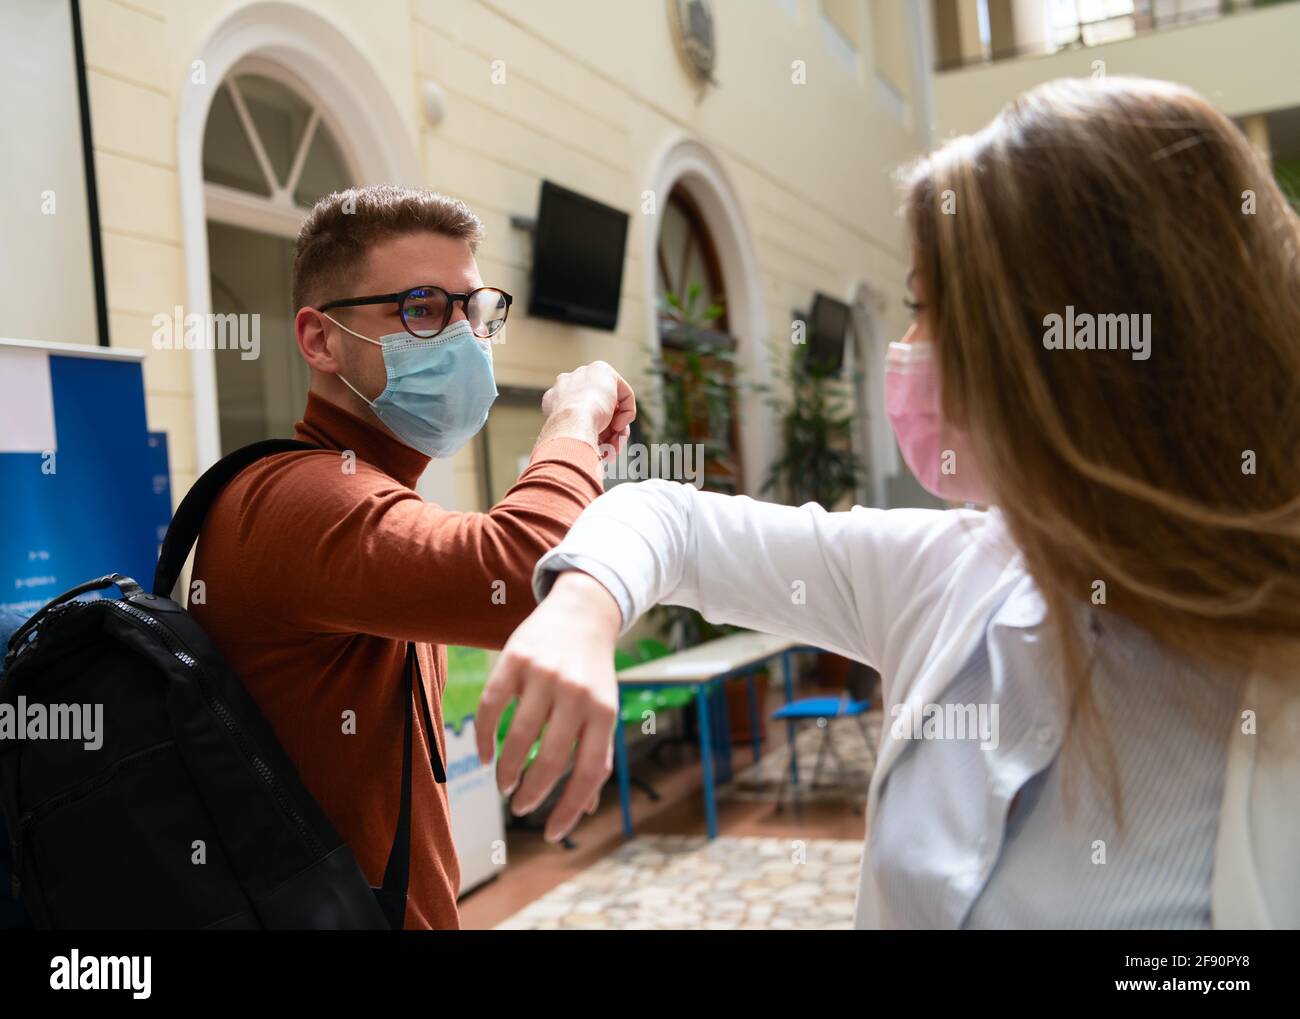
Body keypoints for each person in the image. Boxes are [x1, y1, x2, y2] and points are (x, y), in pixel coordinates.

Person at [476, 77, 1300, 929]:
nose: (905, 351)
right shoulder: (955, 573)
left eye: (928, 309)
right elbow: (671, 523)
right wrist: (580, 607)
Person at [191, 185, 635, 929]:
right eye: (421, 309)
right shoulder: (297, 499)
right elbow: (529, 571)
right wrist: (570, 421)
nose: (464, 337)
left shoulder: (371, 490)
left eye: (475, 311)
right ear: (319, 339)